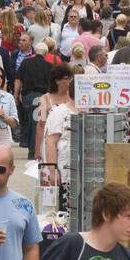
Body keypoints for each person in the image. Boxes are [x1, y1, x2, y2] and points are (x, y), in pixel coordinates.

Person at [42, 72, 80, 208]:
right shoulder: (59, 113)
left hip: (91, 176)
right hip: (66, 175)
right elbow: (50, 142)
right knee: (67, 213)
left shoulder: (94, 112)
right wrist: (53, 171)